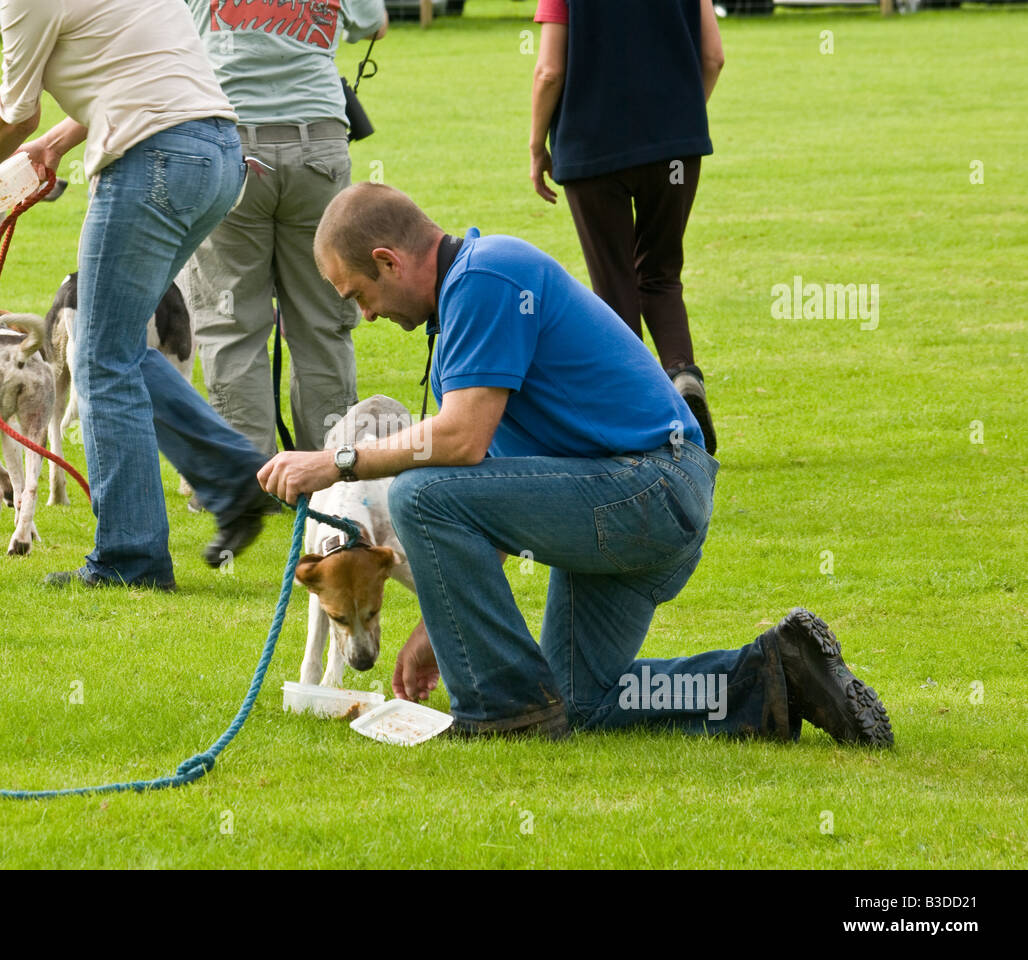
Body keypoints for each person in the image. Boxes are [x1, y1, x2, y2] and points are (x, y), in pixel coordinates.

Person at [259, 183, 893, 747]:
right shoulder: (468, 299)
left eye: (359, 296)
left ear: (387, 262)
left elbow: (459, 445)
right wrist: (437, 627)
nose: (366, 315)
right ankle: (777, 674)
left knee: (419, 494)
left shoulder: (485, 278)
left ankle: (501, 711)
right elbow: (497, 494)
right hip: (631, 498)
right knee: (578, 703)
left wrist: (336, 462)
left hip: (646, 490)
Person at [0, 0, 271, 589]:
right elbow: (141, 70)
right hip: (219, 154)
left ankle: (131, 559)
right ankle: (233, 478)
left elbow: (14, 115)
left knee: (99, 358)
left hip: (154, 160)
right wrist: (55, 144)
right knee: (117, 345)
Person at [183, 0, 388, 463]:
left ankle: (249, 477)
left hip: (229, 143)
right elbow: (375, 25)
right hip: (318, 145)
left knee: (231, 323)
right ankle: (330, 472)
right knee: (323, 321)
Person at [529, 0, 724, 455]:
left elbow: (549, 71)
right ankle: (682, 374)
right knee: (661, 274)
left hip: (591, 149)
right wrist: (680, 119)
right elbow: (714, 56)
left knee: (614, 284)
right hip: (675, 148)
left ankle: (635, 417)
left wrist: (537, 144)